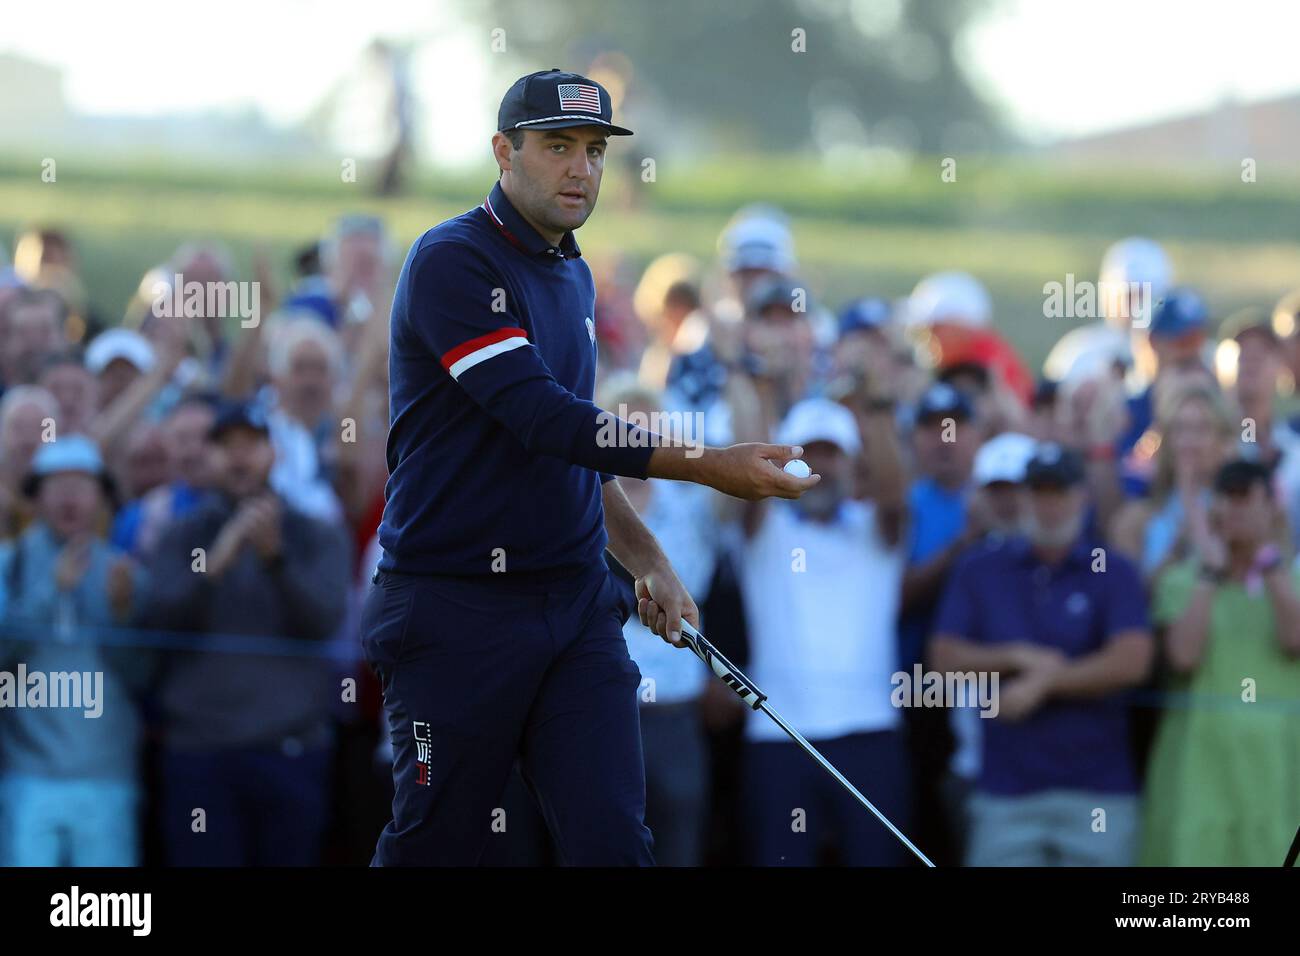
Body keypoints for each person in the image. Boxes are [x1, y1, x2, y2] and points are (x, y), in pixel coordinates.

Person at [362, 69, 816, 867]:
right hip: (454, 608)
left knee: (614, 843)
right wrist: (712, 466)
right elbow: (543, 418)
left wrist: (647, 559)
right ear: (504, 152)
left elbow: (576, 454)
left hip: (573, 606)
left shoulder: (571, 271)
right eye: (558, 146)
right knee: (435, 845)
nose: (582, 169)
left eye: (596, 150)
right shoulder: (452, 262)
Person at [143, 401, 352, 866]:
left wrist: (276, 560)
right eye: (226, 447)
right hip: (200, 753)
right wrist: (212, 567)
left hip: (290, 751)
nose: (239, 458)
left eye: (251, 445)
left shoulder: (314, 533)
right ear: (209, 456)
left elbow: (323, 621)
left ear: (273, 453)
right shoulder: (181, 535)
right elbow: (158, 625)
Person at [931, 443, 1154, 866]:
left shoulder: (1114, 569)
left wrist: (1046, 681)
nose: (1048, 504)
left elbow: (1132, 659)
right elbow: (944, 657)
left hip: (1097, 793)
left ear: (1082, 498)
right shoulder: (980, 567)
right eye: (1038, 492)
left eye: (1059, 492)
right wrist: (1019, 656)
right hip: (1006, 790)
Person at [737, 397, 910, 865]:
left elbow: (894, 494)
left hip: (869, 733)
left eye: (832, 454)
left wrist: (876, 405)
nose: (820, 467)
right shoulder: (764, 530)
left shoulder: (876, 530)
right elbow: (744, 486)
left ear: (853, 463)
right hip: (779, 736)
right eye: (806, 455)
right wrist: (754, 382)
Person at [0, 436, 151, 866]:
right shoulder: (8, 566)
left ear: (102, 497)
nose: (70, 497)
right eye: (56, 485)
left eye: (82, 485)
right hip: (25, 776)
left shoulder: (125, 573)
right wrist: (51, 591)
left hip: (108, 778)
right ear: (36, 496)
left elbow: (142, 678)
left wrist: (123, 615)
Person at [1141, 460, 1300, 865]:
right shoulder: (1184, 581)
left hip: (1278, 771)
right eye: (1225, 498)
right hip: (1199, 770)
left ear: (1271, 506)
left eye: (1246, 497)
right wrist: (1210, 573)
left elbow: (1294, 639)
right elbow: (1183, 656)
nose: (1234, 509)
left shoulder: (1293, 581)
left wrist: (1270, 561)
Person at [600, 374, 718, 867]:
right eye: (622, 430)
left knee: (677, 847)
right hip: (602, 711)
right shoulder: (575, 509)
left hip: (673, 716)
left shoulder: (691, 513)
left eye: (645, 434)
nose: (633, 444)